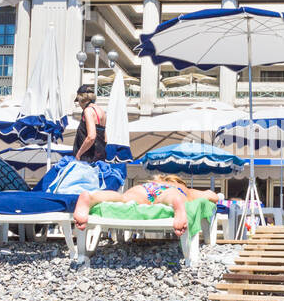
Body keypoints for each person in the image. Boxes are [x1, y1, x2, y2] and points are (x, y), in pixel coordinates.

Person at [72, 173, 220, 237]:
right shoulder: (182, 188)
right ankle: (177, 204)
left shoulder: (154, 183)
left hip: (145, 190)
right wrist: (190, 193)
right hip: (172, 192)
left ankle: (91, 198)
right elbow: (212, 196)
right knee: (171, 196)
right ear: (178, 181)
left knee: (123, 198)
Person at [72, 84, 107, 163]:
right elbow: (105, 138)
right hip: (99, 156)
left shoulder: (88, 111)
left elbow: (91, 136)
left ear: (81, 99)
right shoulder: (101, 111)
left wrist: (79, 154)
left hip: (88, 157)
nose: (79, 104)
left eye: (78, 101)